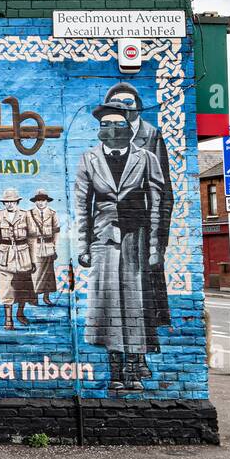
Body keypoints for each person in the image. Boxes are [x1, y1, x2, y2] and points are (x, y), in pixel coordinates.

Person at [74, 98, 165, 390]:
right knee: (109, 306)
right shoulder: (89, 158)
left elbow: (156, 205)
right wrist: (83, 247)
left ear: (129, 127)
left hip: (134, 241)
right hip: (103, 241)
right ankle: (115, 370)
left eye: (117, 124)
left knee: (136, 305)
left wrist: (154, 247)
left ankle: (134, 369)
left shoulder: (146, 158)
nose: (111, 129)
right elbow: (81, 206)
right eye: (105, 125)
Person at [102, 80, 173, 370]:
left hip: (142, 231)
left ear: (137, 106)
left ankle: (140, 355)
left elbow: (163, 193)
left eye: (128, 103)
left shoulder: (151, 137)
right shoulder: (106, 137)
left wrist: (159, 241)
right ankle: (120, 357)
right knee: (115, 297)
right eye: (116, 103)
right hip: (112, 233)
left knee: (141, 297)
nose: (122, 108)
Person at [0, 187, 36, 329]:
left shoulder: (25, 215)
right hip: (5, 256)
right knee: (5, 288)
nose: (10, 204)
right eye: (7, 202)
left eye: (12, 201)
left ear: (17, 202)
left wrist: (33, 259)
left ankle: (20, 313)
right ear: (3, 203)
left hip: (23, 255)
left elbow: (31, 238)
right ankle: (8, 319)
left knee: (23, 287)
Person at [28, 188, 60, 305]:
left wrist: (54, 246)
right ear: (35, 202)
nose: (41, 203)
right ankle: (34, 297)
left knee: (48, 273)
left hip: (48, 245)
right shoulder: (29, 214)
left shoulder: (52, 213)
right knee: (34, 272)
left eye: (43, 200)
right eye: (38, 200)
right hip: (35, 246)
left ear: (47, 201)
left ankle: (46, 297)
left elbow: (56, 231)